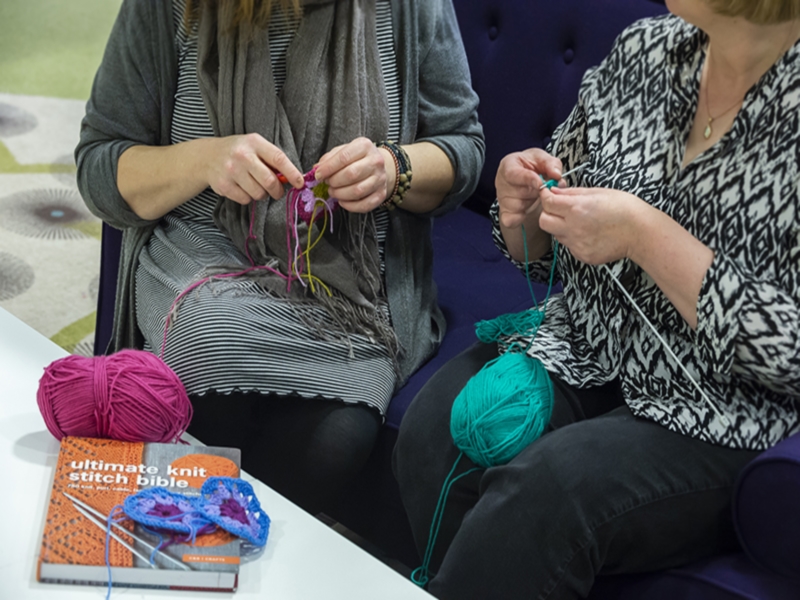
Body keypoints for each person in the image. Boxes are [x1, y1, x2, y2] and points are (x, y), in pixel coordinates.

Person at [393, 0, 800, 597]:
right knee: (436, 432)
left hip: (720, 403)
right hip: (585, 341)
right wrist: (522, 212)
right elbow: (545, 247)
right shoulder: (643, 52)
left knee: (548, 493)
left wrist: (646, 233)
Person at [76, 0, 483, 515]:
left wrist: (394, 169)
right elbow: (99, 165)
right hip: (202, 266)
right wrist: (204, 160)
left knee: (336, 442)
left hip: (350, 293)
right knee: (208, 357)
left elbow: (462, 150)